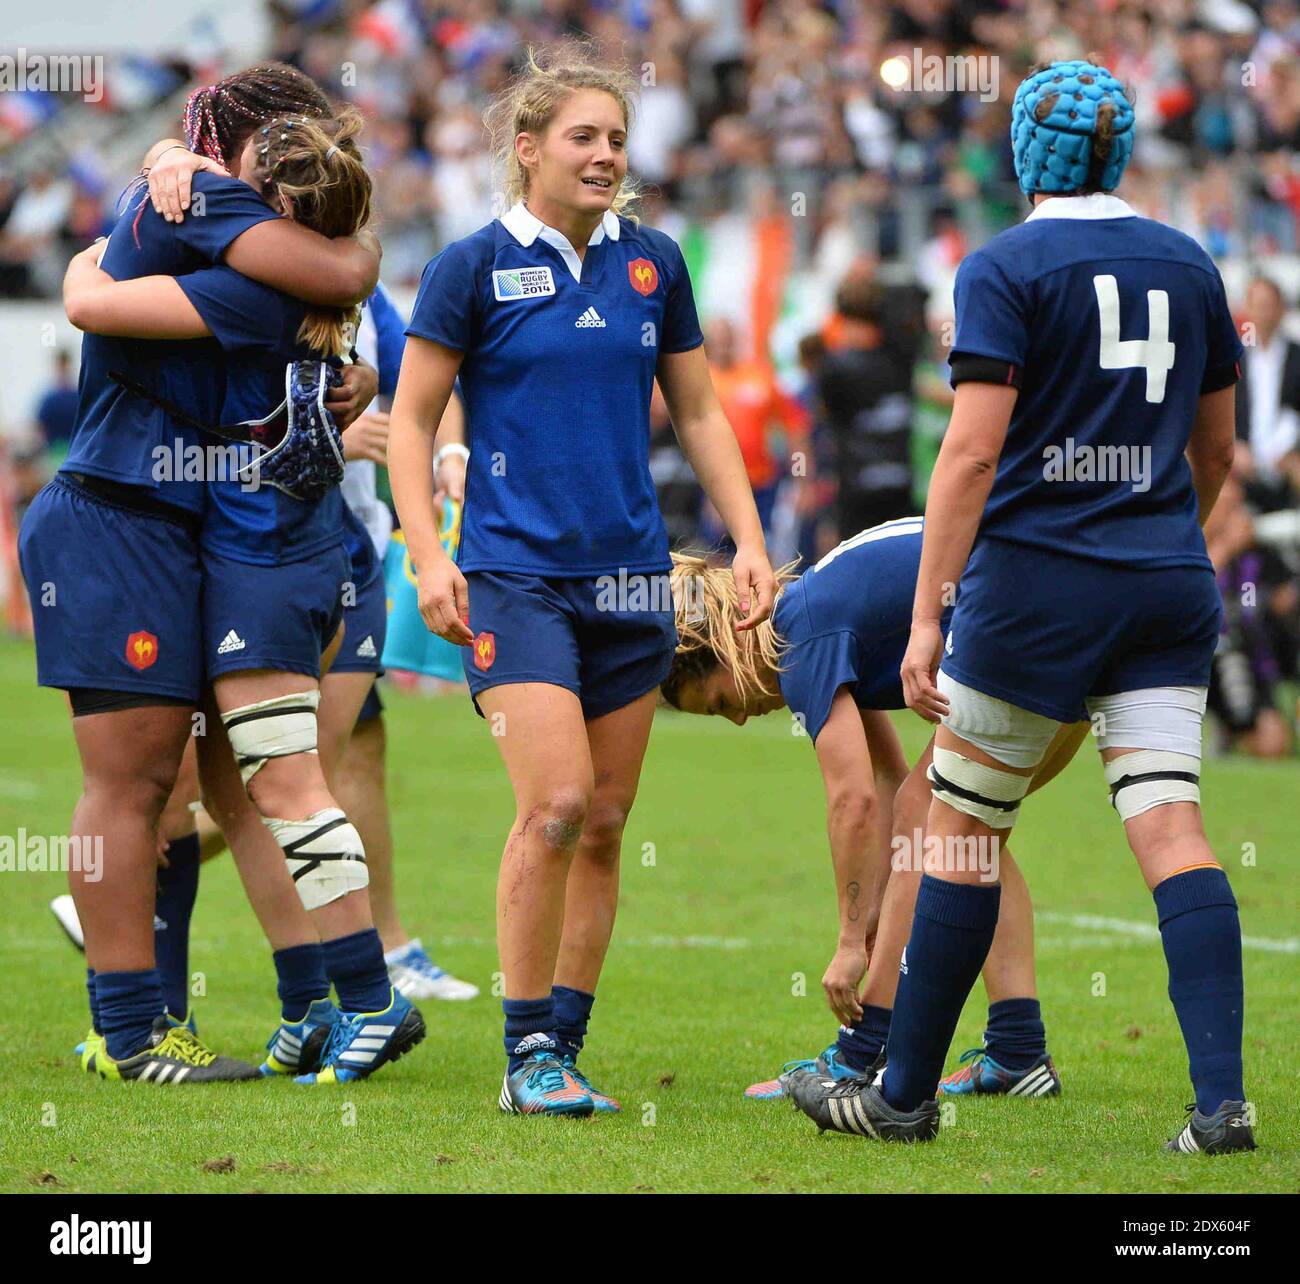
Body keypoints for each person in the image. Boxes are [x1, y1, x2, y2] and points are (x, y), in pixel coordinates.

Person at [808, 60, 1251, 1154]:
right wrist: (1152, 536)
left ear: (1025, 155)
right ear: (1121, 150)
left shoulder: (1004, 264)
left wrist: (925, 618)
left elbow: (966, 457)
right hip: (1166, 583)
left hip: (1035, 590)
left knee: (959, 826)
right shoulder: (1189, 262)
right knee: (1172, 826)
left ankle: (900, 1095)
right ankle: (1219, 1104)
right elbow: (1217, 452)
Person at [388, 41, 776, 1117]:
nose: (605, 155)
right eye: (583, 138)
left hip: (631, 584)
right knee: (554, 804)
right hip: (513, 580)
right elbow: (414, 419)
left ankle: (562, 1045)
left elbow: (697, 412)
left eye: (615, 139)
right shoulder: (469, 267)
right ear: (527, 150)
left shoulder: (652, 262)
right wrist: (427, 552)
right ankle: (524, 1063)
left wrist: (746, 538)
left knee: (604, 821)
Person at [19, 61, 381, 1085]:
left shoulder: (201, 204)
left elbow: (340, 292)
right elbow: (345, 273)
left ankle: (301, 1003)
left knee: (215, 780)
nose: (314, 164)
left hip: (186, 528)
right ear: (247, 149)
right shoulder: (211, 212)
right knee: (134, 783)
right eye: (294, 145)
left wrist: (344, 380)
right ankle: (131, 1035)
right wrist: (138, 213)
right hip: (120, 520)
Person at [662, 524, 1086, 1103]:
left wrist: (848, 940)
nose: (738, 719)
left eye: (720, 703)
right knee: (966, 822)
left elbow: (854, 800)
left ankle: (865, 1051)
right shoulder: (817, 615)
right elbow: (884, 776)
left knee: (930, 814)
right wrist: (871, 915)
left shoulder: (800, 635)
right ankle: (1017, 1051)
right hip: (1071, 625)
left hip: (1034, 624)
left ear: (732, 643)